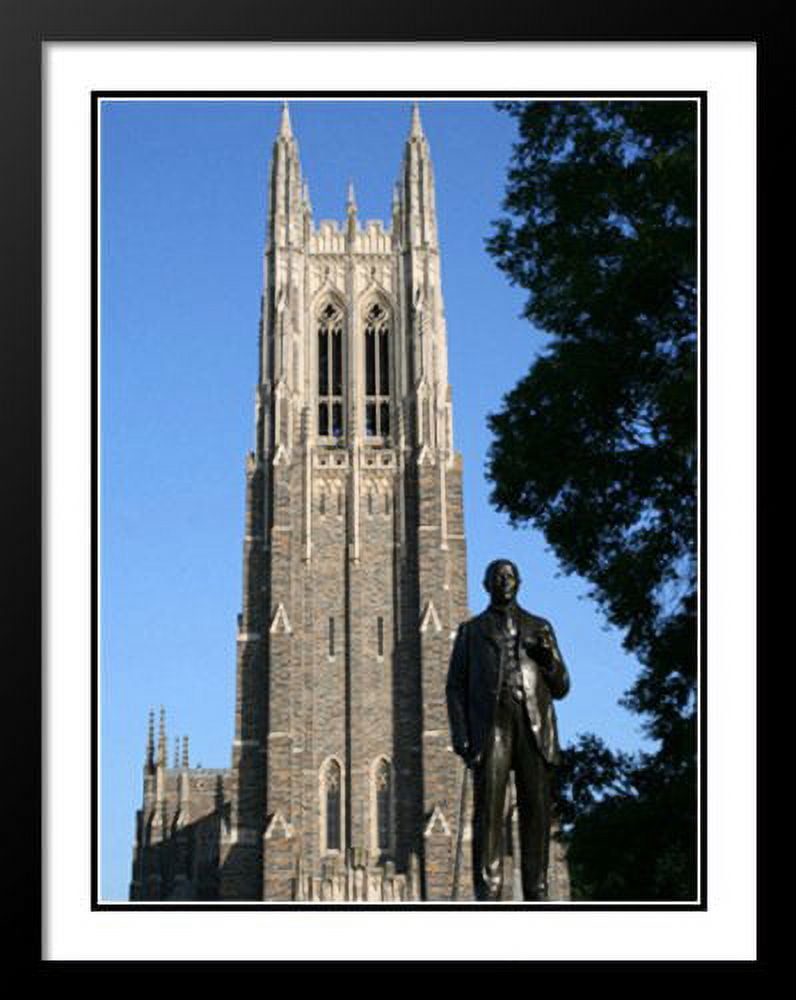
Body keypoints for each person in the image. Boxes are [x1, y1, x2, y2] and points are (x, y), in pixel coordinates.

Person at [446, 559, 570, 901]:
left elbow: (561, 687)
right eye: (497, 577)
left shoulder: (540, 627)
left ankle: (537, 889)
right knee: (488, 812)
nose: (504, 581)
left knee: (536, 812)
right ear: (486, 584)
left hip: (534, 729)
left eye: (510, 576)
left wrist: (548, 659)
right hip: (492, 730)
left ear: (519, 582)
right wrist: (461, 735)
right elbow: (455, 687)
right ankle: (488, 891)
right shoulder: (471, 632)